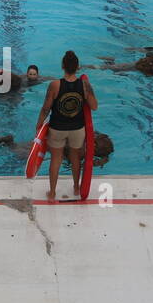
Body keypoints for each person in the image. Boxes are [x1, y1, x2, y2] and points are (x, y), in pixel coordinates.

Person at [36, 50, 98, 202]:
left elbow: (46, 108)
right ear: (78, 67)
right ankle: (77, 187)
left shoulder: (54, 85)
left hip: (57, 128)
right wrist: (89, 91)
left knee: (56, 159)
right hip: (77, 128)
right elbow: (94, 106)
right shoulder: (84, 85)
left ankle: (52, 193)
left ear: (62, 66)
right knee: (75, 157)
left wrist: (39, 126)